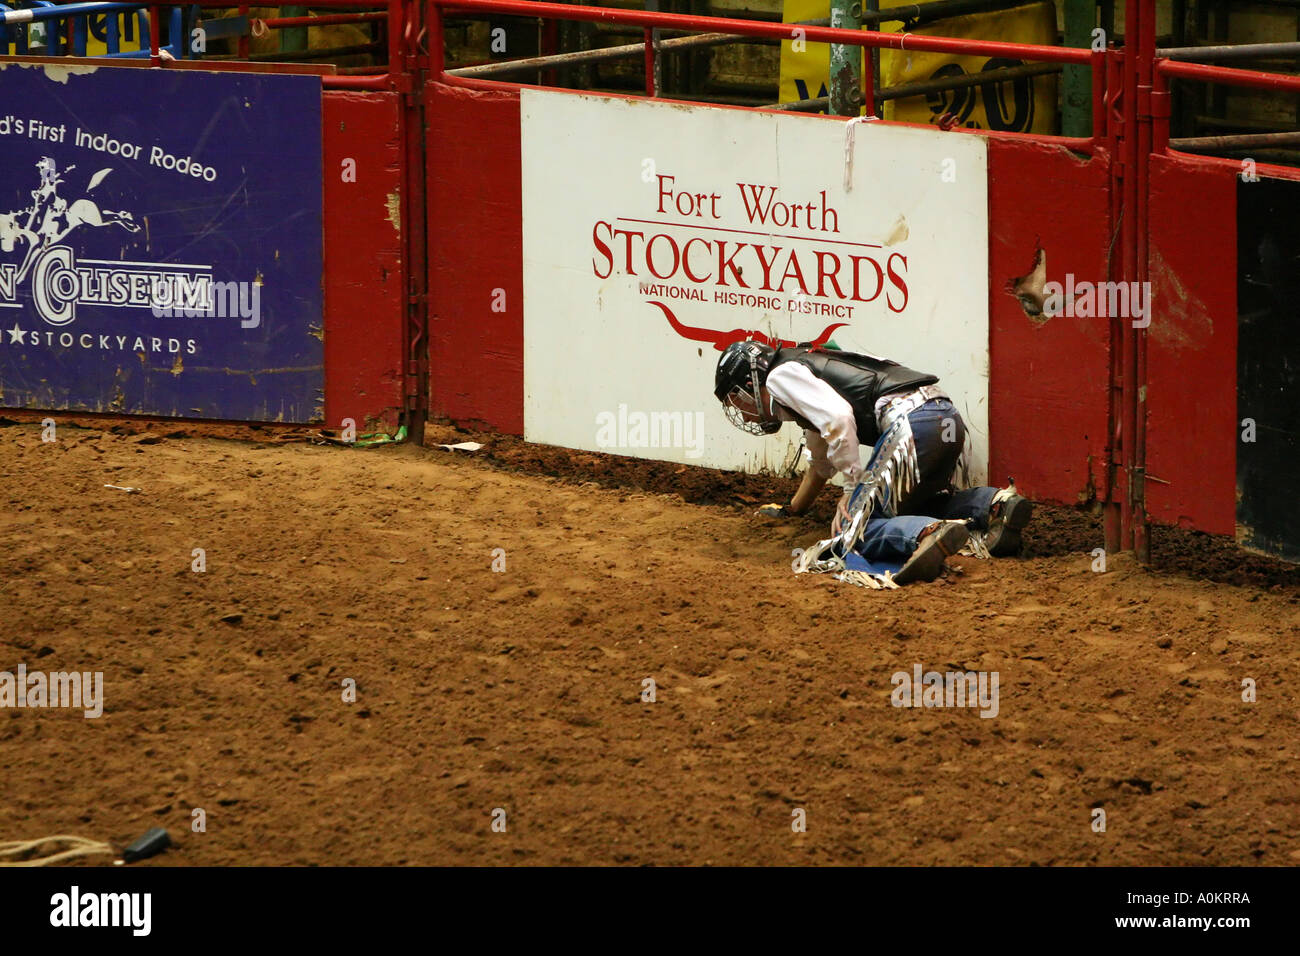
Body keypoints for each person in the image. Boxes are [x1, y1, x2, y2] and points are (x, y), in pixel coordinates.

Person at [713, 339, 1033, 584]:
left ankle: (928, 533)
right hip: (943, 418)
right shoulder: (805, 369)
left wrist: (852, 492)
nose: (742, 410)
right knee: (906, 506)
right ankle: (994, 506)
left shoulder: (779, 378)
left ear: (753, 380)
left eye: (738, 398)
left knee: (856, 528)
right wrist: (793, 508)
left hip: (911, 424)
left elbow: (838, 420)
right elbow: (821, 462)